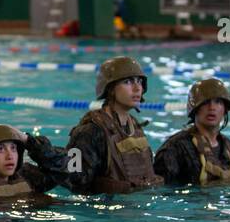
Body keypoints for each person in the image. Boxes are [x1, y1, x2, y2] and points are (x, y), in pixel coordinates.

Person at [61, 56, 164, 195]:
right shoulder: (90, 131)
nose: (137, 88)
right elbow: (75, 184)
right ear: (110, 89)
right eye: (127, 82)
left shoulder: (134, 126)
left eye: (139, 81)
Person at [155, 79, 230, 186]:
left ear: (225, 109)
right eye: (205, 102)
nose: (212, 108)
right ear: (195, 109)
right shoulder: (176, 148)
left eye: (218, 102)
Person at [0, 124, 67, 204]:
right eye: (1, 149)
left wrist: (29, 141)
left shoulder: (27, 176)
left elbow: (65, 168)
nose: (9, 156)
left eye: (13, 148)